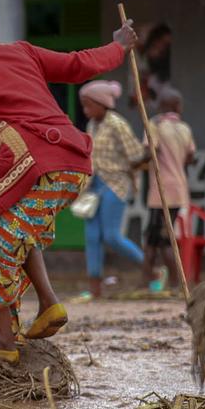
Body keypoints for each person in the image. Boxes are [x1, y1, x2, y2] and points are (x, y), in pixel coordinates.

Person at [0, 0, 138, 360]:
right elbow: (78, 66)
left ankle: (4, 338)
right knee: (15, 234)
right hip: (71, 163)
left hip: (33, 168)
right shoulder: (20, 52)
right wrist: (118, 46)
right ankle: (48, 304)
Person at [78, 79, 148, 300]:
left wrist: (132, 166)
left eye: (88, 105)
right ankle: (95, 288)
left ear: (102, 103)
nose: (85, 110)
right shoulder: (92, 126)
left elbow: (136, 154)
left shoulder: (117, 124)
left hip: (115, 184)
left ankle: (151, 269)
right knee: (92, 236)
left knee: (111, 236)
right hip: (94, 185)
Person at [141, 88, 195, 294]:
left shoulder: (155, 126)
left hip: (161, 191)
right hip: (179, 188)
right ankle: (148, 281)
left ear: (161, 106)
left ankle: (176, 283)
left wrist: (134, 163)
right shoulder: (185, 128)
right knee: (154, 237)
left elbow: (150, 151)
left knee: (161, 238)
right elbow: (190, 157)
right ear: (178, 107)